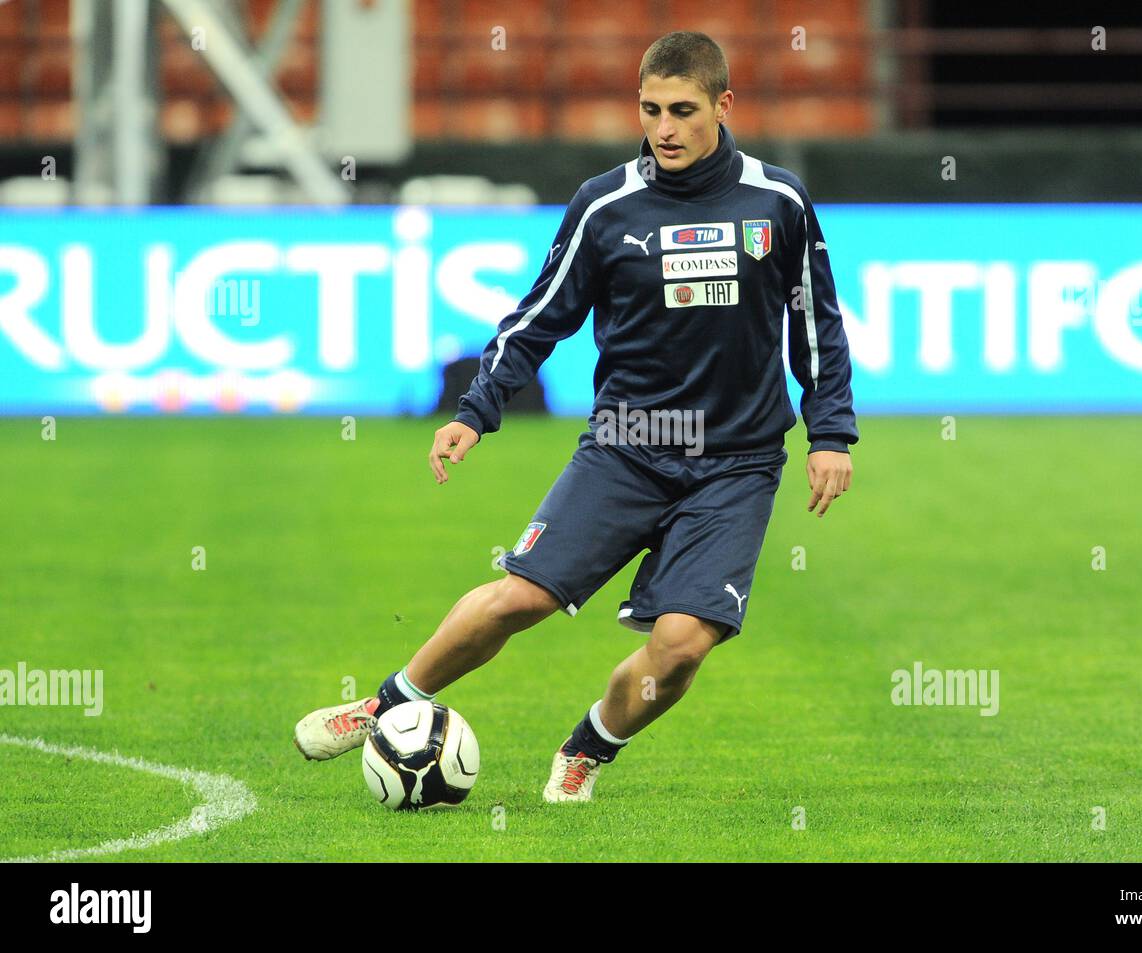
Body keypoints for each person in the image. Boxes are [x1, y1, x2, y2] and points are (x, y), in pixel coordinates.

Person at [294, 30, 857, 802]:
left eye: (683, 110)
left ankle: (590, 744)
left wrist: (830, 433)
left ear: (724, 106)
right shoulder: (605, 205)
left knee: (682, 647)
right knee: (519, 597)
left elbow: (817, 324)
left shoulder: (779, 202)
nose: (664, 128)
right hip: (626, 449)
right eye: (650, 109)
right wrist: (476, 410)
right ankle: (389, 704)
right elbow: (541, 317)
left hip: (736, 464)